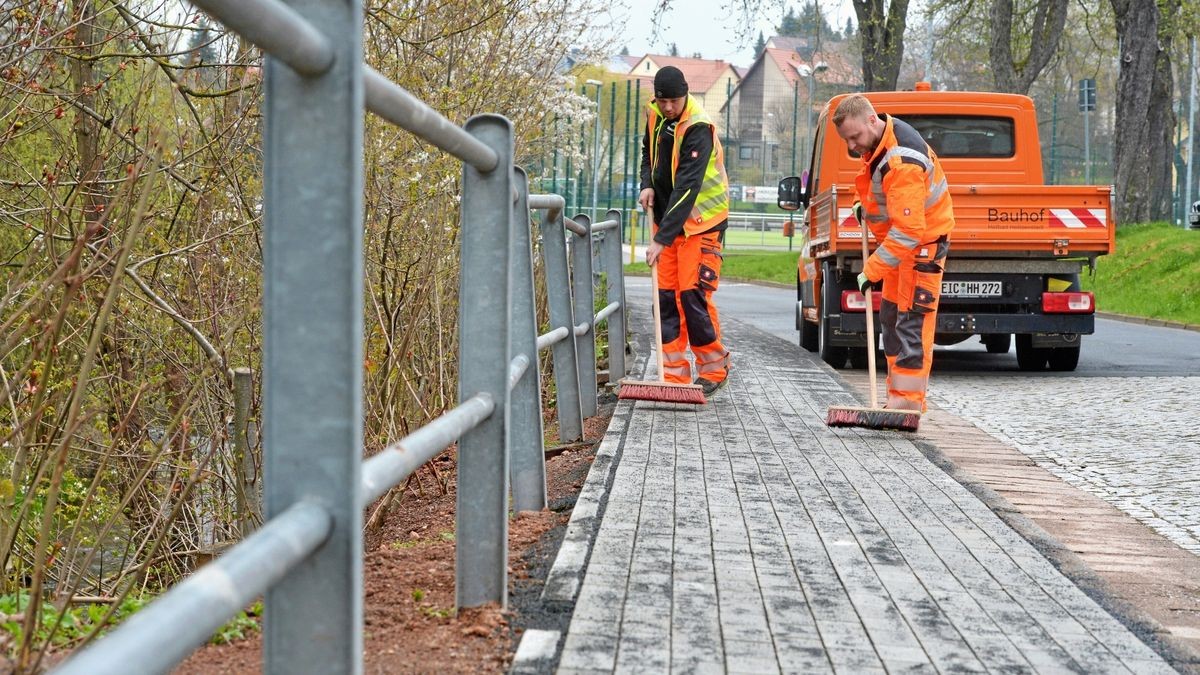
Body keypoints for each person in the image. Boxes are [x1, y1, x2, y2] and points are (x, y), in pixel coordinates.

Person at [832, 94, 955, 412]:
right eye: (847, 140)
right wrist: (866, 205)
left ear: (871, 119)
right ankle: (895, 398)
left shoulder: (902, 160)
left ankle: (908, 404)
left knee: (910, 324)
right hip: (900, 248)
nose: (853, 146)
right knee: (891, 318)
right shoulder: (881, 139)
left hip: (920, 250)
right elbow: (885, 190)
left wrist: (869, 271)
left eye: (855, 136)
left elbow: (910, 230)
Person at [638, 66, 731, 395]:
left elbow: (687, 188)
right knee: (664, 300)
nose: (667, 108)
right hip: (668, 223)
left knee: (693, 296)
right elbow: (648, 154)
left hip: (702, 225)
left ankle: (714, 370)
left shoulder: (699, 127)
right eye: (662, 102)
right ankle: (674, 376)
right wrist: (647, 184)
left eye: (673, 102)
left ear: (685, 95)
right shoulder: (655, 115)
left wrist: (661, 240)